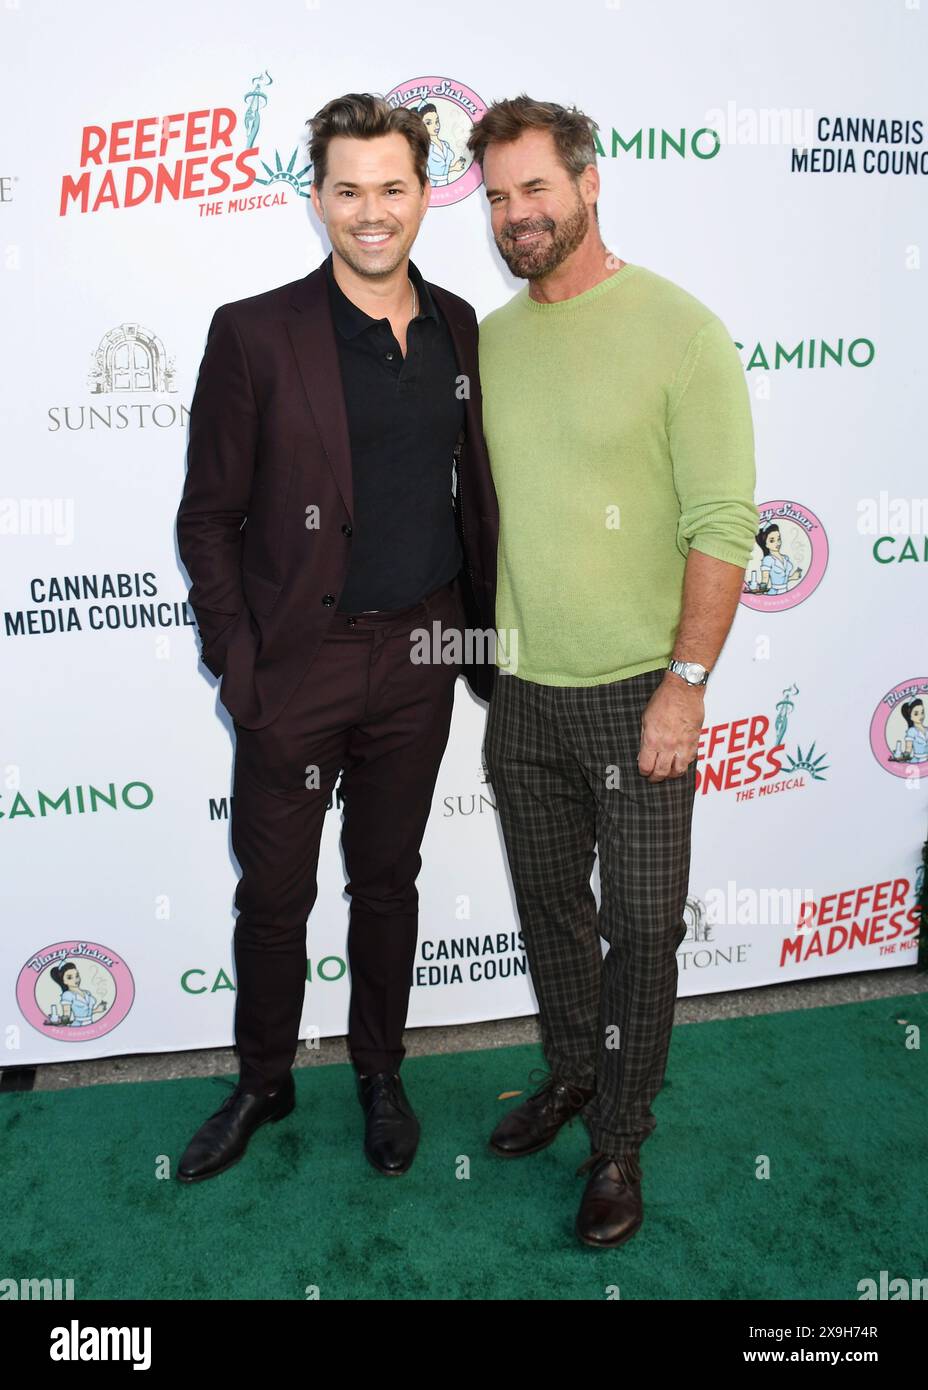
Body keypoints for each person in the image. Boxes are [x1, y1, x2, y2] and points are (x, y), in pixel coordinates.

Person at [175, 92, 498, 1183]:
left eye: (392, 188)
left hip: (420, 657)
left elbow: (476, 498)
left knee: (388, 881)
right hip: (296, 670)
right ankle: (264, 1078)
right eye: (349, 189)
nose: (372, 211)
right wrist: (239, 663)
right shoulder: (254, 331)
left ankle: (379, 1070)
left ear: (423, 194)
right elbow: (207, 516)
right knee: (274, 895)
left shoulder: (459, 323)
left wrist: (476, 640)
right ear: (317, 199)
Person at [467, 95, 758, 1247]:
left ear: (589, 182)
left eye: (534, 187)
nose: (515, 214)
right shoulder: (487, 341)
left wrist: (684, 683)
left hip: (642, 692)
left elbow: (723, 523)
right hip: (523, 694)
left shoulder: (681, 329)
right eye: (494, 195)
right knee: (548, 911)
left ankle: (620, 1138)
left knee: (641, 929)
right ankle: (571, 1072)